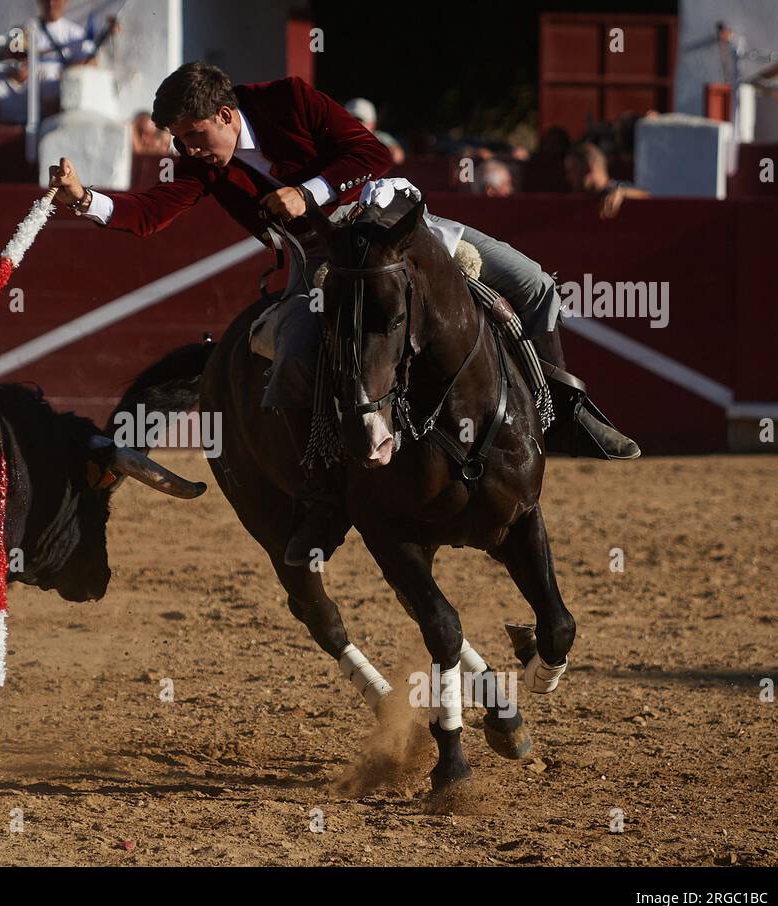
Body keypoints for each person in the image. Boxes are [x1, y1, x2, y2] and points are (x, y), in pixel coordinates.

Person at [49, 63, 639, 566]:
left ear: (228, 115)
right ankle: (322, 496)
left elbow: (371, 154)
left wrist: (308, 193)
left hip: (389, 231)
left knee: (535, 286)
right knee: (293, 358)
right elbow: (151, 212)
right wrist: (84, 199)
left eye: (196, 134)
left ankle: (563, 411)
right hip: (320, 261)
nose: (189, 150)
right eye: (180, 140)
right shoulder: (203, 161)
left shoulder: (289, 100)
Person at [564, 141, 647, 219]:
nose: (568, 177)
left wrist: (622, 193)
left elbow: (645, 195)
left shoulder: (617, 190)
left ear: (589, 168)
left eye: (572, 170)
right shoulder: (576, 196)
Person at [343, 96, 405, 166]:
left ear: (372, 124)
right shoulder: (338, 138)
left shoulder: (381, 138)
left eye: (360, 121)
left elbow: (397, 156)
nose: (355, 125)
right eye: (351, 120)